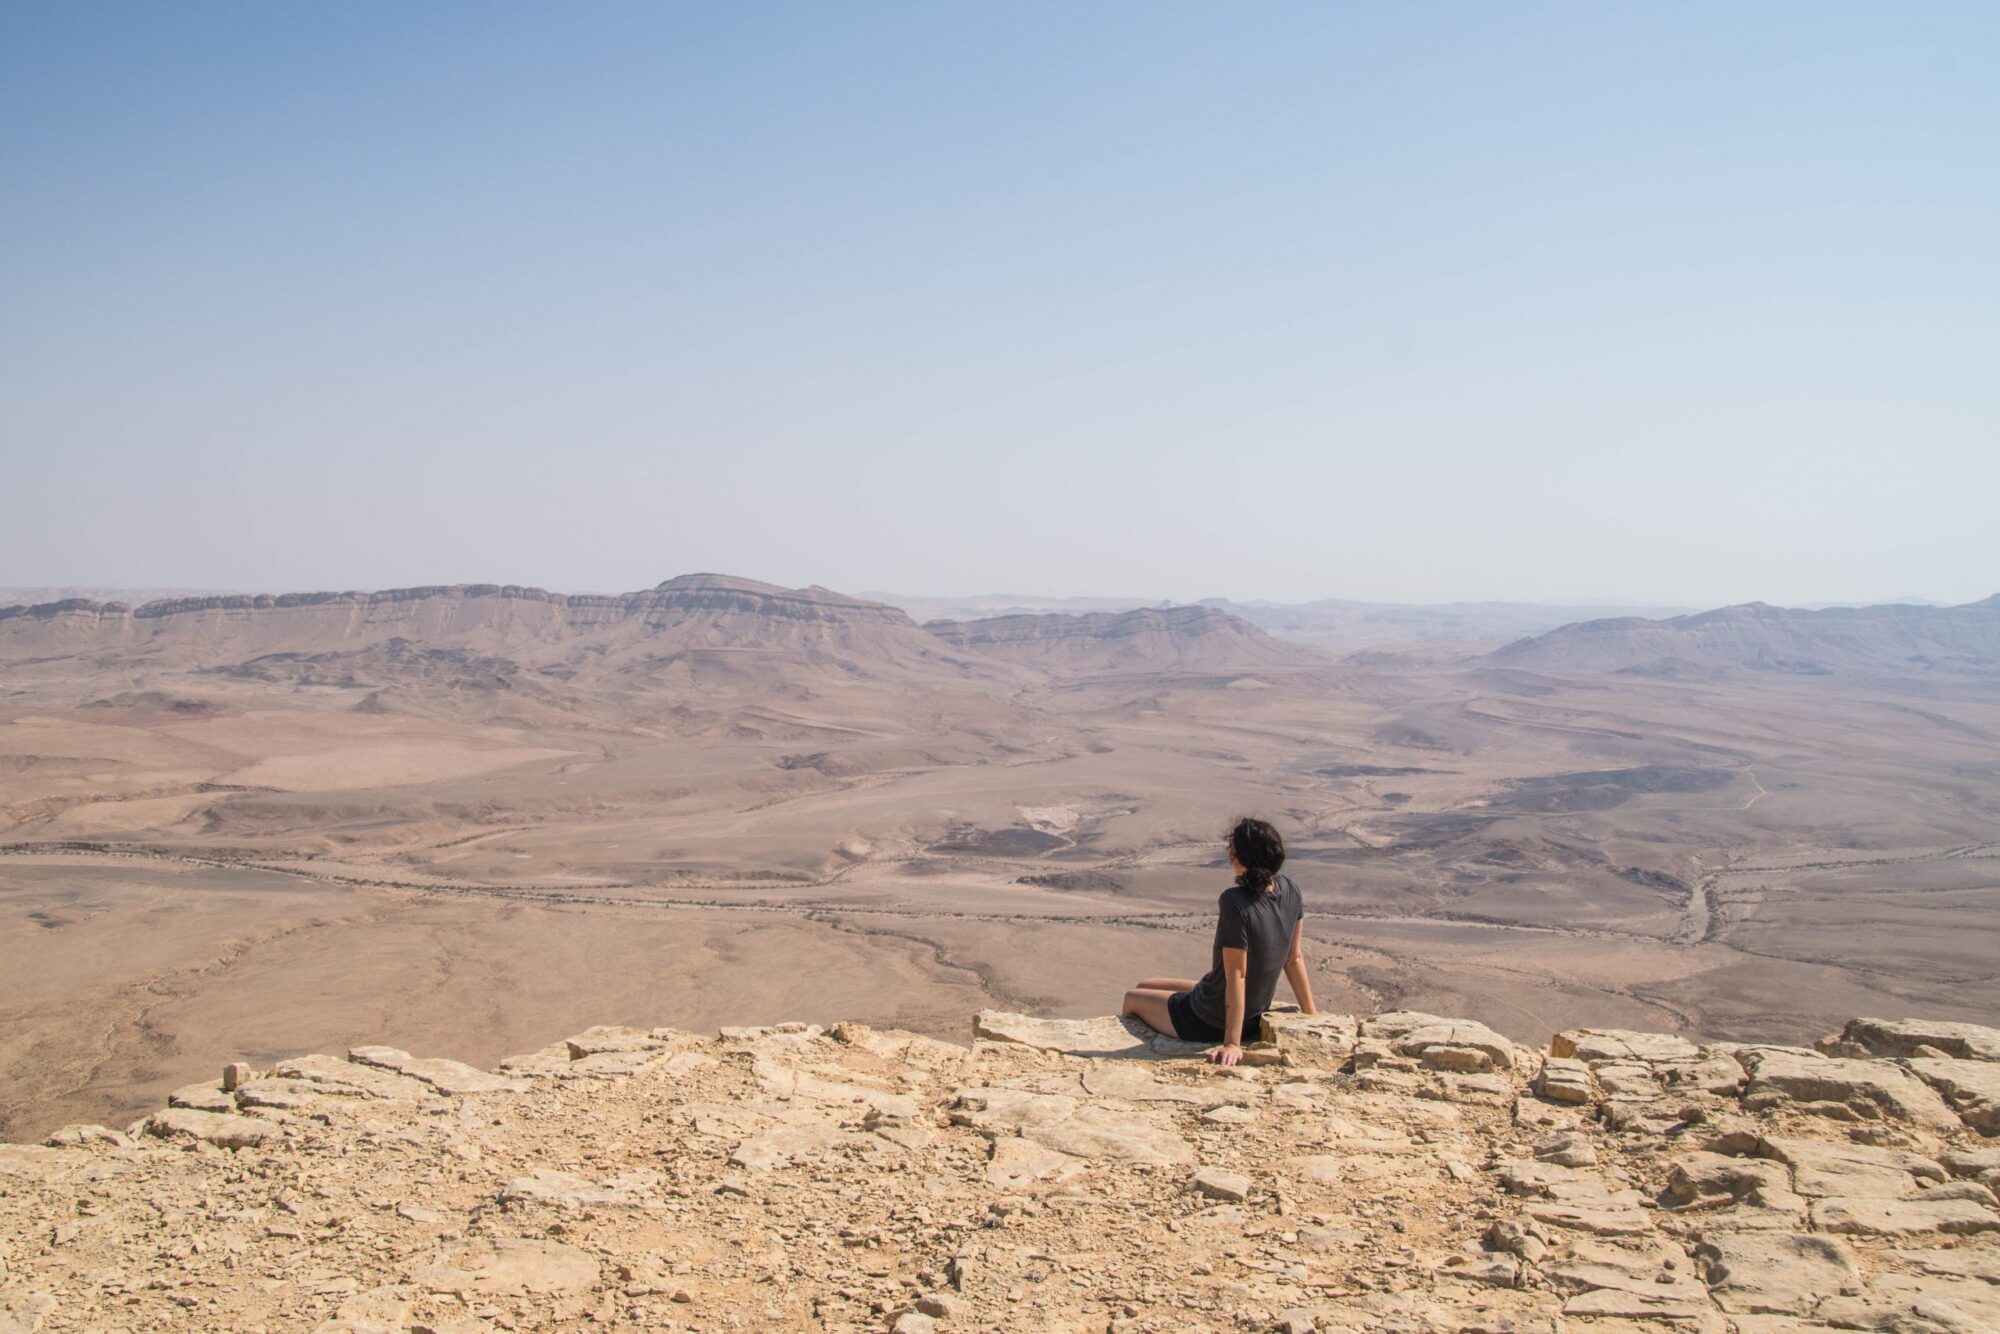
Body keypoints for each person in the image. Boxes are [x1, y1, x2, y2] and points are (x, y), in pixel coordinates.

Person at [1121, 816, 1315, 1066]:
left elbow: (1237, 976)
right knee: (1145, 983)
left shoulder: (1235, 902)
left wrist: (1232, 1043)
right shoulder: (1290, 888)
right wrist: (1311, 1014)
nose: (1230, 855)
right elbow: (1294, 958)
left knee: (1132, 998)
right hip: (1246, 1007)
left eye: (1234, 850)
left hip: (1208, 1020)